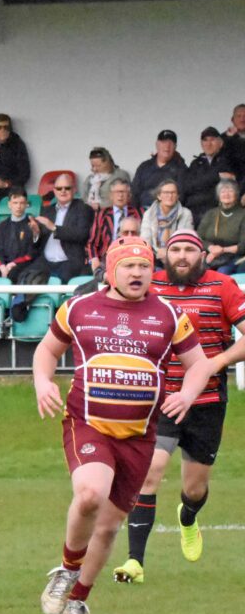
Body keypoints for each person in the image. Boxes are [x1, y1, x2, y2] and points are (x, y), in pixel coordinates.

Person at [32, 238, 211, 614]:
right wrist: (42, 382)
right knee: (90, 495)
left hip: (139, 435)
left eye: (144, 267)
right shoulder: (80, 307)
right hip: (89, 423)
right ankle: (66, 568)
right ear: (111, 270)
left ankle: (77, 601)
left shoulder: (168, 315)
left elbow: (199, 364)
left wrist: (187, 393)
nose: (137, 273)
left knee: (110, 528)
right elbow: (46, 350)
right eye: (128, 266)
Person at [113, 231, 245, 585]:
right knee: (150, 471)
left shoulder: (223, 286)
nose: (182, 256)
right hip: (162, 399)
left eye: (189, 250)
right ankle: (134, 563)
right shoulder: (149, 284)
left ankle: (188, 518)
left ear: (202, 255)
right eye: (175, 250)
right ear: (164, 254)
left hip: (206, 402)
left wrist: (215, 363)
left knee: (195, 489)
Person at [30, 172, 95, 282]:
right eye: (59, 188)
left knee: (60, 282)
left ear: (74, 190)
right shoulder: (47, 210)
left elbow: (81, 235)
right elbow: (37, 244)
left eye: (67, 188)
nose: (63, 191)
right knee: (25, 277)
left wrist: (54, 227)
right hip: (45, 261)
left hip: (69, 261)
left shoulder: (83, 209)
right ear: (54, 191)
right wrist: (36, 234)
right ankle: (20, 300)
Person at [183, 126, 239, 223]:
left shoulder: (228, 160)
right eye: (205, 140)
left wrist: (231, 136)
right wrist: (216, 177)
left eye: (212, 140)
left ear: (220, 143)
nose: (208, 144)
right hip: (194, 209)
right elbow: (188, 186)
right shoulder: (195, 163)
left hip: (217, 210)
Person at [0, 188, 48, 283]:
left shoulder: (33, 224)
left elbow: (33, 252)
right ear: (9, 204)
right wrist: (2, 266)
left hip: (24, 265)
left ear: (26, 204)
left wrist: (13, 263)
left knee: (13, 275)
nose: (18, 206)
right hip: (3, 266)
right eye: (15, 203)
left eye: (22, 203)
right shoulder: (1, 226)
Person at [85, 179, 142, 270]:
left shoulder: (139, 213)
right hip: (106, 260)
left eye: (123, 192)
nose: (120, 195)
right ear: (111, 196)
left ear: (129, 195)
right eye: (116, 192)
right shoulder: (102, 214)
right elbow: (92, 242)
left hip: (133, 258)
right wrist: (94, 259)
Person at [132, 129, 188, 209]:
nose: (167, 146)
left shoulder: (181, 168)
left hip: (168, 212)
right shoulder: (144, 166)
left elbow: (181, 197)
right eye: (164, 142)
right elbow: (134, 193)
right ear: (157, 144)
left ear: (175, 147)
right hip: (143, 212)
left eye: (171, 143)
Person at [198, 179, 244, 273]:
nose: (226, 194)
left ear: (236, 194)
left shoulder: (243, 214)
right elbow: (198, 237)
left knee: (222, 273)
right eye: (223, 191)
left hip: (233, 257)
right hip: (209, 255)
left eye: (230, 191)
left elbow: (243, 245)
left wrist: (221, 250)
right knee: (196, 272)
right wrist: (211, 248)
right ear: (218, 196)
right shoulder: (211, 214)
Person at [139, 181, 194, 251]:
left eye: (173, 193)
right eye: (166, 193)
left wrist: (170, 253)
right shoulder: (149, 213)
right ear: (159, 196)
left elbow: (187, 240)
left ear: (178, 196)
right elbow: (145, 240)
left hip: (177, 254)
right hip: (154, 254)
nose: (170, 196)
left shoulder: (186, 213)